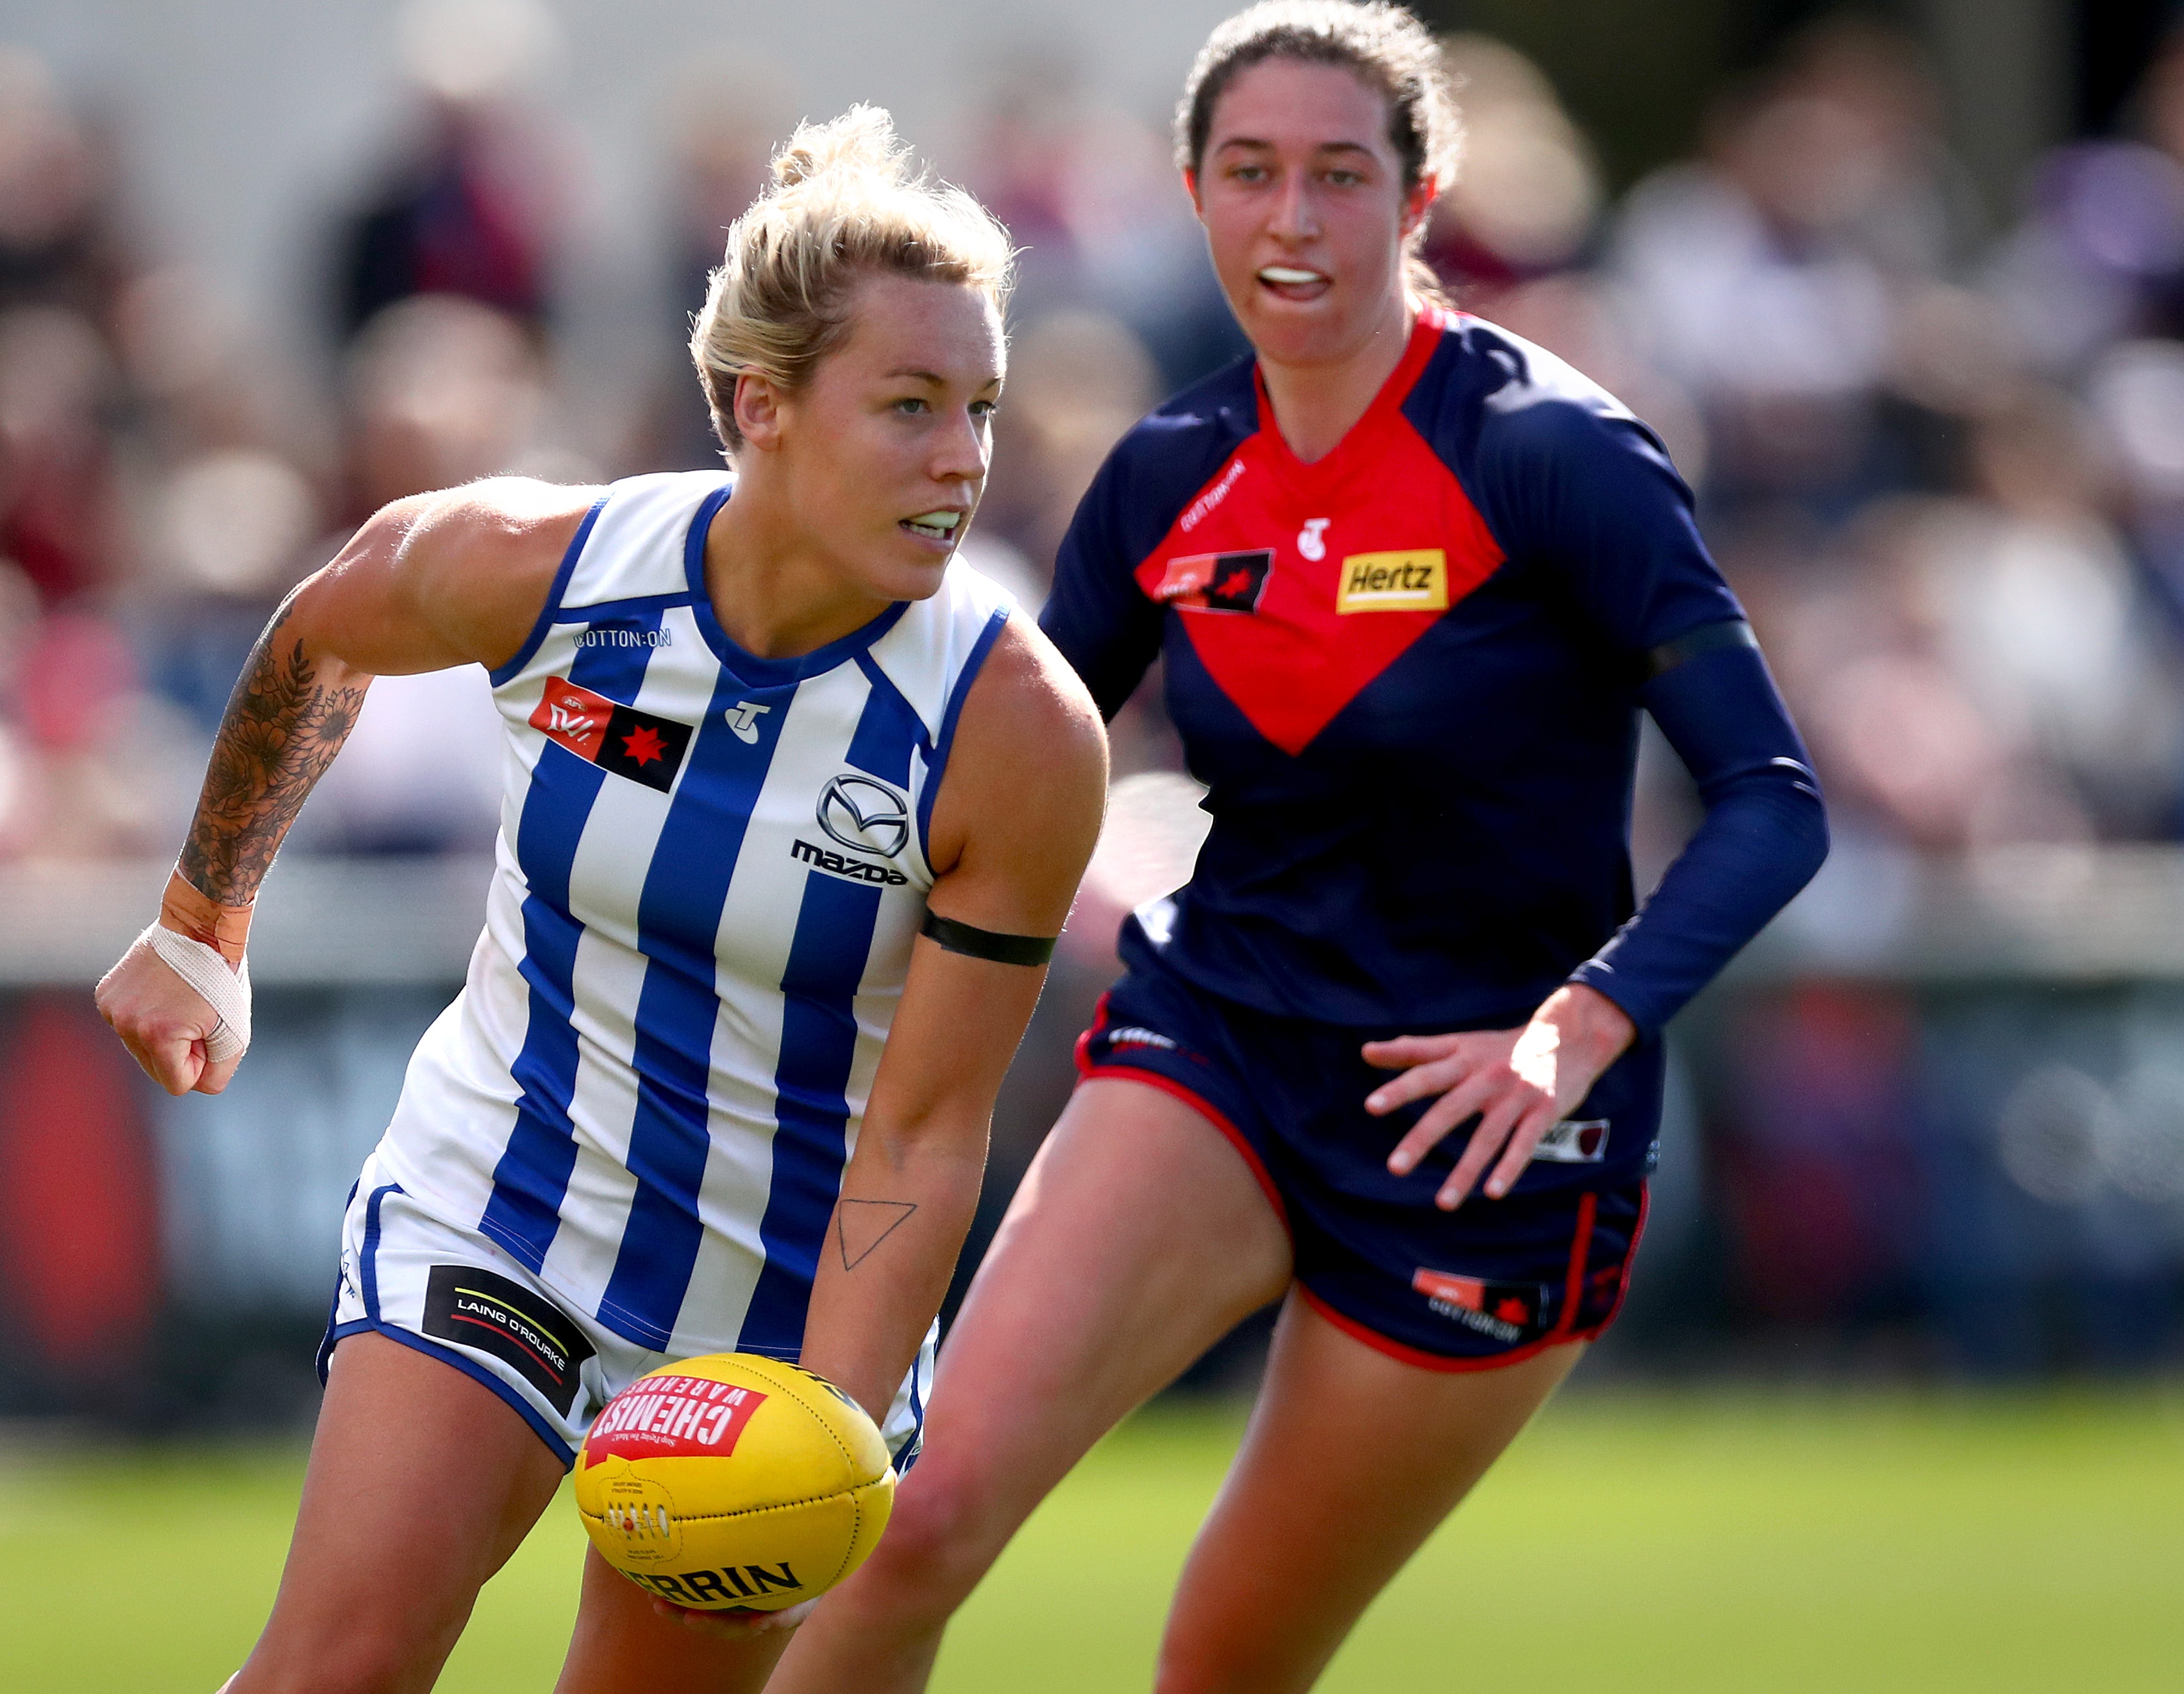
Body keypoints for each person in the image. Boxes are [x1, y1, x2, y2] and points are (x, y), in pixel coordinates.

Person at [768, 6, 1829, 1693]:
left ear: (1419, 197)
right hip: (1223, 1038)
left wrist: (1576, 1027)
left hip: (1479, 1128)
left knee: (1226, 1660)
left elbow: (1772, 800)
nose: (1293, 218)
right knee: (910, 1519)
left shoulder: (1550, 453)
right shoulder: (1167, 475)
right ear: (1193, 192)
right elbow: (1004, 769)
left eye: (1339, 175)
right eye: (1250, 172)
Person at [94, 106, 1105, 1694]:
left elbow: (924, 1129)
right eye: (909, 405)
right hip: (501, 1202)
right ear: (760, 406)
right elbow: (322, 633)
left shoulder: (1015, 728)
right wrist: (199, 921)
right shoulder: (543, 568)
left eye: (977, 408)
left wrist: (829, 1422)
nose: (962, 458)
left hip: (780, 1302)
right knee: (335, 1669)